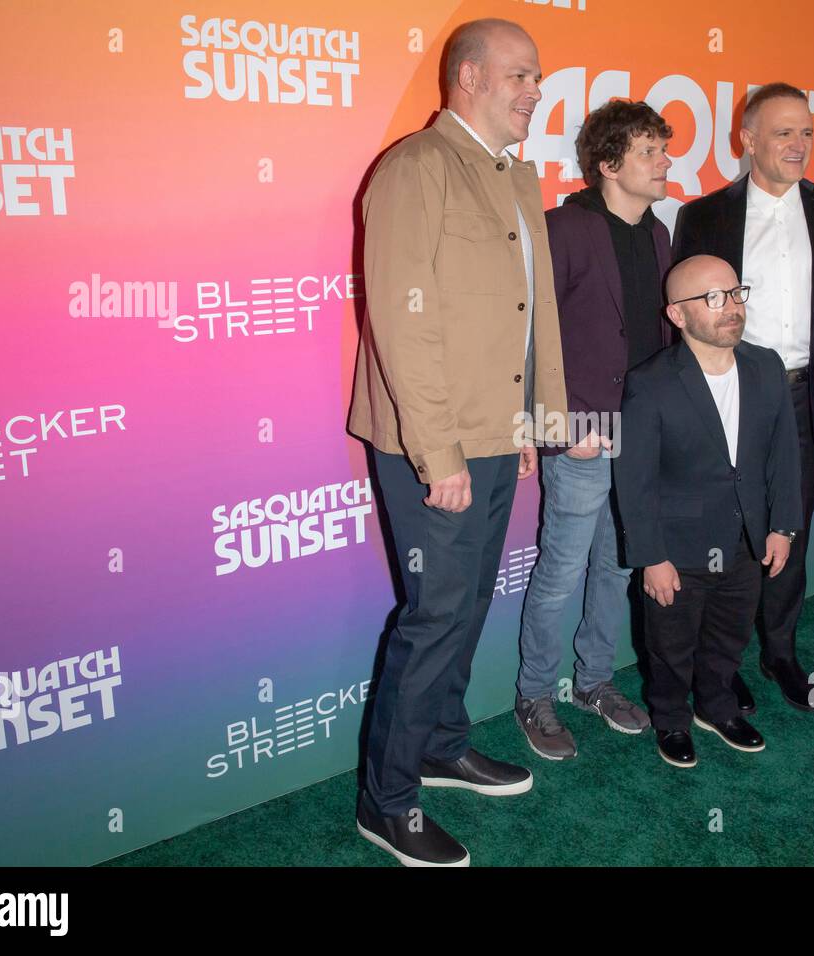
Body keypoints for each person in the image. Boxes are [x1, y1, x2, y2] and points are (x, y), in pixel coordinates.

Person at [346, 18, 568, 867]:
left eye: (537, 78)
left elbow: (526, 312)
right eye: (519, 76)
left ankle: (440, 743)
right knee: (436, 612)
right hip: (426, 439)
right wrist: (437, 454)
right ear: (468, 77)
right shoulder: (415, 170)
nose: (533, 93)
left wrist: (527, 425)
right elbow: (406, 329)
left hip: (492, 429)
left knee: (469, 602)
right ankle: (386, 801)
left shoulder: (514, 178)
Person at [672, 82, 814, 715]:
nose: (799, 144)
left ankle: (781, 651)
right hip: (732, 395)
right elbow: (682, 318)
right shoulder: (704, 217)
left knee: (792, 529)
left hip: (806, 396)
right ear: (748, 139)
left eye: (807, 132)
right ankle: (719, 665)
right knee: (727, 537)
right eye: (784, 132)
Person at [513, 100, 674, 759]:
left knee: (616, 566)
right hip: (582, 430)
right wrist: (552, 425)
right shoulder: (565, 228)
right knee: (561, 569)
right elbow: (527, 332)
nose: (665, 161)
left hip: (642, 431)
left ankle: (595, 681)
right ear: (608, 165)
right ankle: (534, 695)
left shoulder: (660, 233)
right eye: (649, 152)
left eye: (663, 149)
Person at [613, 255, 803, 767]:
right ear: (677, 315)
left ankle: (717, 708)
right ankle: (671, 718)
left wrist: (783, 526)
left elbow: (785, 455)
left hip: (747, 541)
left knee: (729, 636)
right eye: (713, 298)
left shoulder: (765, 367)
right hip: (677, 548)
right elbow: (634, 480)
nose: (732, 307)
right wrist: (651, 557)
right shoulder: (649, 382)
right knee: (670, 647)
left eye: (736, 293)